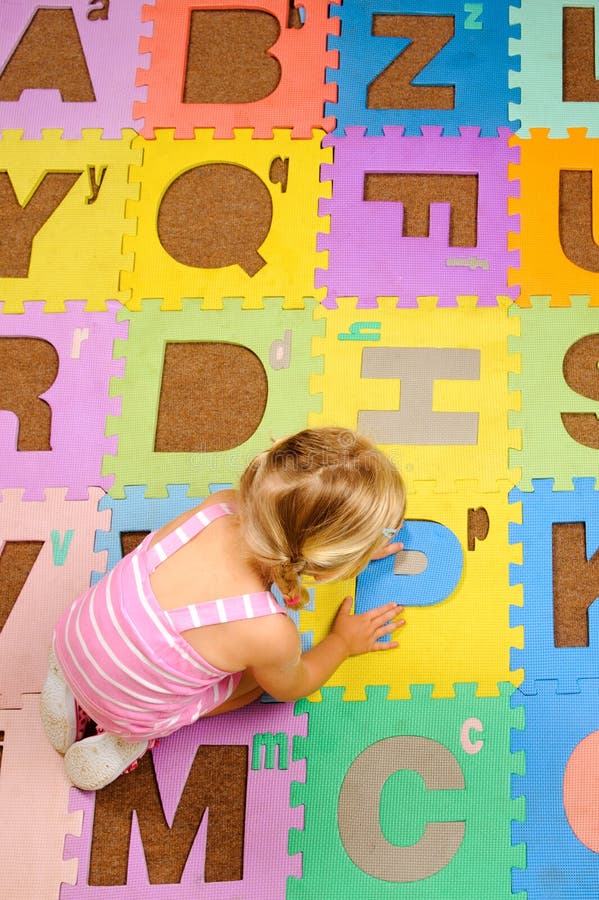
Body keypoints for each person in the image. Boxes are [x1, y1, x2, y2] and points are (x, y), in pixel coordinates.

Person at [40, 427, 407, 791]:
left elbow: (268, 553)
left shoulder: (219, 507)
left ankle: (64, 683)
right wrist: (342, 642)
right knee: (250, 685)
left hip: (73, 637)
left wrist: (339, 547)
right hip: (126, 712)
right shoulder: (269, 632)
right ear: (326, 564)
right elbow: (292, 687)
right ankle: (123, 741)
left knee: (139, 639)